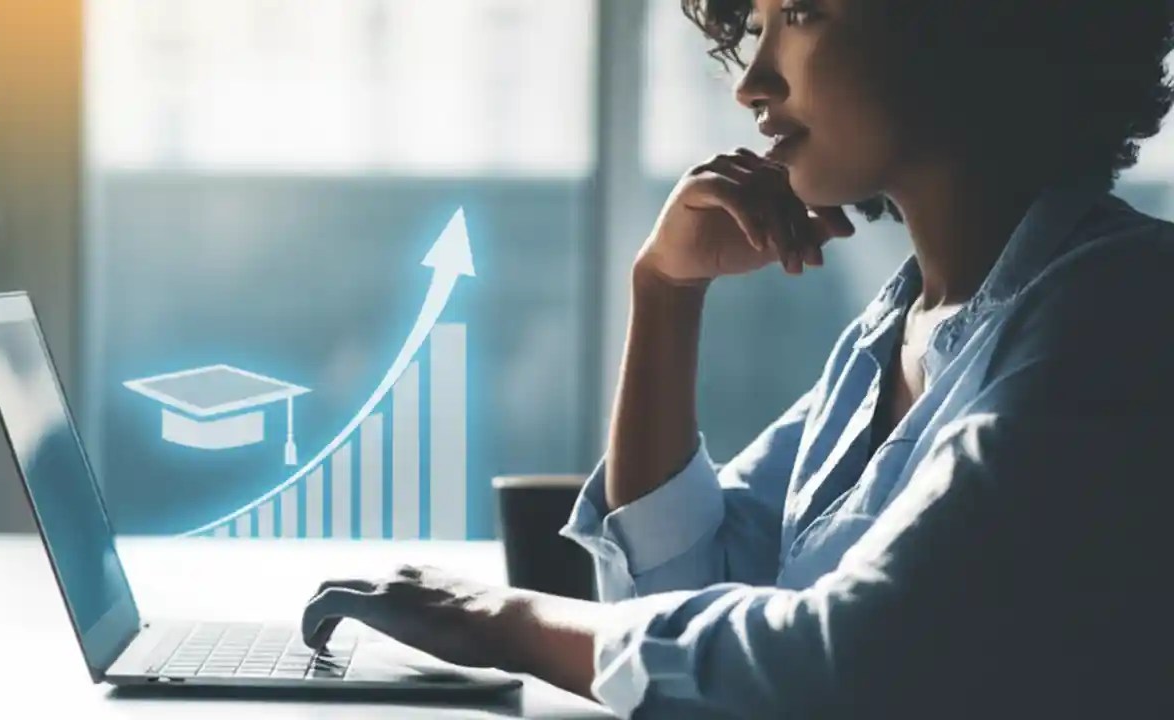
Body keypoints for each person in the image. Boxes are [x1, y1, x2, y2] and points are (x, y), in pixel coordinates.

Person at [301, 1, 1174, 716]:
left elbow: (844, 659)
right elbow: (667, 602)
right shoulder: (896, 332)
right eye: (754, 27)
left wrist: (500, 619)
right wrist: (665, 293)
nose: (753, 82)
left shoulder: (1115, 312)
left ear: (962, 23)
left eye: (801, 13)